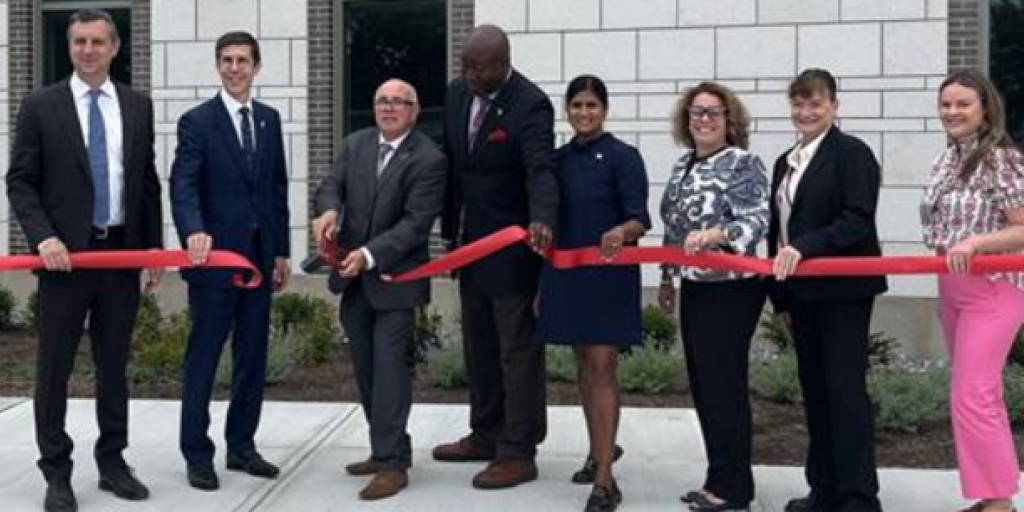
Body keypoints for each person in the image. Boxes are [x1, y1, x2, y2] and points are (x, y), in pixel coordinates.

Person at [5, 8, 162, 512]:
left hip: (120, 254)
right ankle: (57, 473)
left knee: (114, 366)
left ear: (116, 47)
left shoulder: (137, 106)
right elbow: (20, 181)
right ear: (70, 47)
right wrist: (44, 237)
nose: (88, 50)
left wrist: (153, 250)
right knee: (54, 369)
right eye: (79, 42)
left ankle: (113, 462)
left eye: (98, 41)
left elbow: (145, 182)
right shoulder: (40, 106)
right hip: (64, 261)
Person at [434, 24, 559, 489]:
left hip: (512, 251)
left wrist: (542, 220)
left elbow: (541, 171)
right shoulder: (455, 95)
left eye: (478, 67)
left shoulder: (529, 104)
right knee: (480, 347)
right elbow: (452, 166)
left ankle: (519, 449)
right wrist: (448, 232)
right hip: (469, 247)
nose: (469, 74)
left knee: (517, 352)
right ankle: (486, 434)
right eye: (465, 65)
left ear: (503, 63)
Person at [311, 78, 446, 501]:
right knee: (367, 371)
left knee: (390, 372)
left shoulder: (428, 158)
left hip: (395, 283)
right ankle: (386, 447)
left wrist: (369, 254)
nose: (389, 108)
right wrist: (328, 210)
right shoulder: (356, 144)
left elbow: (416, 224)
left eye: (398, 102)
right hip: (353, 284)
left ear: (414, 110)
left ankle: (392, 466)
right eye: (382, 101)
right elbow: (330, 186)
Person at [169, 30, 290, 492]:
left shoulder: (269, 120)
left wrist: (280, 250)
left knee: (252, 358)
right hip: (215, 260)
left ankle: (242, 446)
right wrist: (193, 230)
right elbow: (183, 184)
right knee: (204, 357)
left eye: (242, 60)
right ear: (218, 66)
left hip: (259, 261)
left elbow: (276, 189)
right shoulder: (197, 121)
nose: (234, 68)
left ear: (257, 67)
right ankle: (197, 453)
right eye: (226, 60)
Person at [767, 68, 888, 512]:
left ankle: (858, 496)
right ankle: (825, 489)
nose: (806, 112)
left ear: (834, 106)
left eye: (815, 103)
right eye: (798, 104)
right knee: (815, 392)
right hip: (801, 295)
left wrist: (804, 246)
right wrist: (779, 295)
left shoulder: (853, 154)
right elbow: (775, 230)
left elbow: (857, 218)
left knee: (844, 392)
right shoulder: (786, 161)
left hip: (843, 294)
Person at [536, 75, 649, 512]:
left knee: (603, 367)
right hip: (564, 277)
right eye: (576, 106)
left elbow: (640, 218)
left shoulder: (624, 157)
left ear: (605, 109)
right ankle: (598, 449)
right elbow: (547, 222)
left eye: (591, 106)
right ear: (568, 110)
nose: (584, 113)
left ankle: (606, 479)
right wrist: (542, 285)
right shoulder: (557, 160)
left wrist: (621, 231)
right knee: (583, 367)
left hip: (608, 277)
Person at [659, 82, 769, 512]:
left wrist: (717, 234)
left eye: (713, 112)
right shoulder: (682, 165)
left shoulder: (742, 163)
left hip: (732, 289)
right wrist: (667, 278)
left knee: (724, 385)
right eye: (696, 113)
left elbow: (757, 217)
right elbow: (672, 231)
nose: (703, 119)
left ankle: (735, 487)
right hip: (695, 287)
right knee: (704, 386)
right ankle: (717, 477)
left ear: (730, 120)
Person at [921, 69, 1024, 512]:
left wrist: (977, 242)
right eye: (946, 104)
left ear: (985, 109)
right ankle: (994, 496)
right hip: (953, 286)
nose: (952, 112)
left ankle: (999, 506)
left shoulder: (1001, 160)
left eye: (963, 103)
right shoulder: (948, 159)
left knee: (973, 393)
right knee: (979, 395)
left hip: (994, 287)